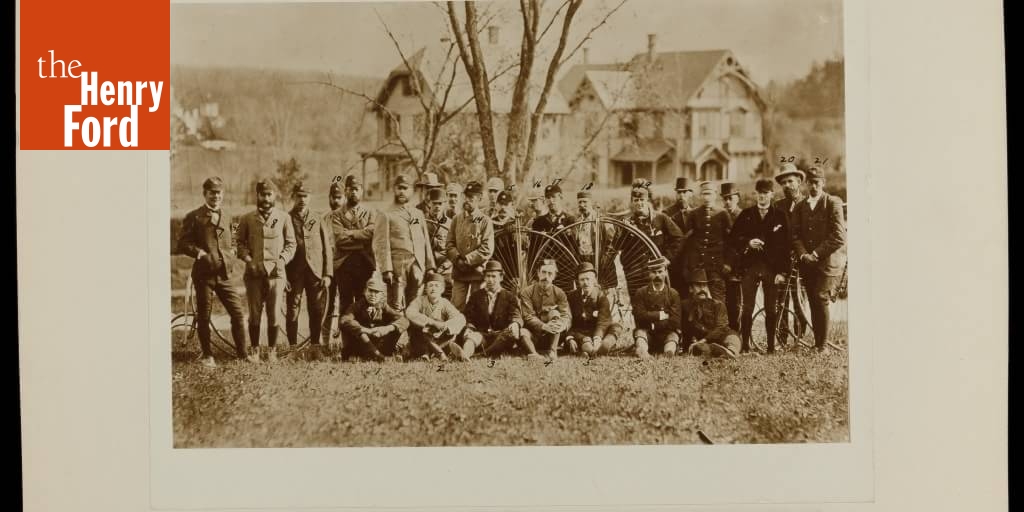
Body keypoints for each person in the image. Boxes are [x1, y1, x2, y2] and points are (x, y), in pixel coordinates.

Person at [175, 177, 248, 367]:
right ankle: (208, 356)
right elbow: (183, 243)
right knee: (204, 316)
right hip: (203, 276)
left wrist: (231, 254)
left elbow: (232, 239)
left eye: (219, 193)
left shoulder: (228, 215)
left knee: (238, 312)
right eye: (212, 192)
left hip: (224, 274)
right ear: (205, 194)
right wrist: (199, 253)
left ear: (223, 194)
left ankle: (243, 354)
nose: (216, 196)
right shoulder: (194, 216)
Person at [236, 179, 297, 363]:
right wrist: (248, 259)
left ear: (275, 196)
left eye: (269, 194)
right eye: (263, 195)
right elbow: (238, 243)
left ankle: (271, 351)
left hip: (276, 275)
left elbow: (291, 244)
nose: (266, 198)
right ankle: (254, 350)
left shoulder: (284, 217)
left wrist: (282, 260)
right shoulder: (246, 218)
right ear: (257, 196)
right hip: (254, 274)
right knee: (254, 314)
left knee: (274, 314)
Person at [729, 178, 790, 353]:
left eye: (765, 193)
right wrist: (748, 243)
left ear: (772, 194)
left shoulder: (780, 216)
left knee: (771, 308)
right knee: (747, 308)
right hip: (750, 267)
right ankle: (746, 347)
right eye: (759, 193)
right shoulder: (746, 214)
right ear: (756, 194)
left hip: (772, 269)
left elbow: (786, 246)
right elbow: (733, 239)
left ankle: (771, 347)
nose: (762, 197)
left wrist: (782, 272)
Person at [790, 166, 847, 352]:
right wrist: (803, 254)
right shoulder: (800, 206)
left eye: (817, 182)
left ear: (823, 183)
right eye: (810, 183)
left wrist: (816, 254)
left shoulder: (832, 203)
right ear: (805, 184)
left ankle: (822, 347)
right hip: (807, 263)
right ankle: (817, 344)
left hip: (827, 263)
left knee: (820, 297)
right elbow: (795, 235)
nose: (813, 186)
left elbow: (839, 237)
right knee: (813, 301)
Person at [324, 175, 376, 344]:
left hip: (365, 263)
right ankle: (347, 345)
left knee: (364, 302)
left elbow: (372, 233)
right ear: (345, 191)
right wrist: (361, 239)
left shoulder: (370, 212)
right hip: (344, 264)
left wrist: (351, 234)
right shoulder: (336, 214)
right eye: (350, 189)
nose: (353, 192)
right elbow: (340, 239)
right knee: (345, 303)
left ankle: (364, 343)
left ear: (361, 191)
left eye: (356, 189)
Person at [284, 182, 333, 358]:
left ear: (310, 197)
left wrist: (327, 273)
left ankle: (315, 346)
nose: (302, 200)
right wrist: (283, 275)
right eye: (299, 196)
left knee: (316, 309)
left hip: (315, 272)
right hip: (294, 273)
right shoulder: (286, 218)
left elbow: (327, 247)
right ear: (293, 197)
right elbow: (281, 248)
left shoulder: (317, 218)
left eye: (305, 196)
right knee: (293, 309)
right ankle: (293, 350)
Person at [373, 173, 435, 311]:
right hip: (397, 268)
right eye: (399, 188)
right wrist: (386, 269)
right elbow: (380, 244)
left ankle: (414, 333)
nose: (401, 191)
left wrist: (430, 266)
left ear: (412, 191)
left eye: (405, 188)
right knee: (396, 306)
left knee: (415, 306)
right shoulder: (385, 214)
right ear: (394, 189)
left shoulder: (417, 214)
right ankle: (395, 333)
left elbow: (425, 241)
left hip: (417, 266)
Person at [460, 261, 542, 360]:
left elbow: (516, 315)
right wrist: (469, 328)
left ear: (501, 278)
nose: (490, 280)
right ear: (484, 277)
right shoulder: (476, 296)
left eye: (494, 276)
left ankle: (481, 355)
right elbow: (469, 316)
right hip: (483, 335)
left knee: (509, 333)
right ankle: (465, 355)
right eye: (488, 276)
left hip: (502, 336)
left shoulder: (509, 297)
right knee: (472, 338)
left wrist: (515, 324)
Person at [445, 180, 495, 309]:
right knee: (456, 306)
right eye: (465, 197)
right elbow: (449, 244)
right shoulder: (457, 219)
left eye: (471, 197)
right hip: (459, 272)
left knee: (477, 307)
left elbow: (487, 248)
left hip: (477, 273)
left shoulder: (485, 221)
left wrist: (467, 260)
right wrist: (457, 259)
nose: (467, 200)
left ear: (479, 199)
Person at [338, 271, 408, 362]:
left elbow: (404, 321)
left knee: (397, 325)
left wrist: (387, 329)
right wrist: (365, 330)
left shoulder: (384, 306)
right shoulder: (357, 306)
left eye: (376, 292)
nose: (373, 295)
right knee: (350, 326)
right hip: (360, 346)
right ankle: (377, 356)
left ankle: (381, 355)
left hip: (380, 346)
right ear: (364, 291)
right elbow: (344, 320)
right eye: (370, 291)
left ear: (381, 295)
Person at [774, 162, 809, 337]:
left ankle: (799, 337)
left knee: (799, 299)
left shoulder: (808, 203)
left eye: (790, 181)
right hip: (782, 260)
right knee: (781, 299)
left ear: (799, 182)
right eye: (783, 183)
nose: (787, 185)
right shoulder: (778, 207)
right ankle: (782, 337)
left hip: (803, 260)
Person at [681, 181, 732, 303]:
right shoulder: (693, 214)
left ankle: (720, 323)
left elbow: (730, 241)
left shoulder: (722, 213)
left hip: (717, 265)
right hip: (698, 264)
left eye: (709, 194)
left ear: (715, 195)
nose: (706, 197)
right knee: (698, 301)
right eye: (703, 194)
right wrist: (689, 265)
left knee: (718, 301)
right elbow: (687, 241)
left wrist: (728, 263)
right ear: (700, 196)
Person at [565, 262, 629, 358]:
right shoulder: (571, 296)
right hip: (580, 332)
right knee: (580, 339)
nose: (585, 282)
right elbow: (567, 319)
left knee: (616, 327)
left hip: (599, 331)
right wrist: (569, 338)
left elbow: (603, 320)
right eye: (582, 279)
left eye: (588, 279)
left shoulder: (601, 296)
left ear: (594, 280)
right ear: (578, 281)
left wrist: (597, 339)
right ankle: (591, 350)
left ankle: (604, 345)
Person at [626, 181, 684, 281]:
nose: (639, 203)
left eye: (642, 200)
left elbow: (679, 238)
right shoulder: (629, 222)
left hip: (658, 270)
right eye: (636, 200)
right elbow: (621, 247)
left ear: (647, 200)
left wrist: (667, 258)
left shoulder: (661, 218)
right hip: (637, 273)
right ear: (632, 202)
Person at [404, 272, 467, 361]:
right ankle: (439, 353)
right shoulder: (420, 300)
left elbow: (460, 318)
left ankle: (428, 353)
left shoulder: (445, 303)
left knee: (451, 334)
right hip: (422, 335)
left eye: (437, 286)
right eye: (430, 286)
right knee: (418, 334)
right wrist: (432, 323)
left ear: (442, 290)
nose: (433, 289)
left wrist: (445, 326)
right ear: (426, 289)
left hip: (438, 337)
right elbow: (410, 312)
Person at [518, 259, 571, 360]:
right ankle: (534, 354)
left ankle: (552, 351)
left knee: (555, 313)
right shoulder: (527, 292)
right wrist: (543, 326)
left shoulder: (560, 293)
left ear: (554, 276)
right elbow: (528, 316)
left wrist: (562, 325)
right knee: (522, 332)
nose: (546, 277)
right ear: (538, 273)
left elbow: (566, 315)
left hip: (552, 336)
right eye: (543, 272)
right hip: (533, 335)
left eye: (550, 273)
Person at [630, 257, 681, 358]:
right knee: (640, 334)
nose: (657, 275)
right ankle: (643, 352)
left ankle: (668, 353)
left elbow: (675, 321)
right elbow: (639, 316)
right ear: (649, 274)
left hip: (666, 334)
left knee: (673, 336)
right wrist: (661, 315)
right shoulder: (641, 292)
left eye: (660, 271)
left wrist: (651, 322)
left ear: (666, 272)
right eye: (654, 272)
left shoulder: (673, 294)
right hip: (647, 334)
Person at [682, 270, 741, 358]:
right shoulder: (685, 306)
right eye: (698, 285)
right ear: (691, 288)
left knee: (733, 338)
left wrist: (703, 340)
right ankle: (718, 352)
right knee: (699, 348)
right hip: (702, 341)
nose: (702, 289)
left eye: (704, 285)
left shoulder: (718, 305)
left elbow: (721, 328)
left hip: (722, 336)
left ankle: (730, 352)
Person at [666, 177, 694, 302]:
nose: (681, 195)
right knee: (673, 299)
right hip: (673, 265)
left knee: (689, 301)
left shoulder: (696, 214)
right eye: (679, 192)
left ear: (690, 193)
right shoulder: (666, 214)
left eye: (685, 192)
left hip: (690, 265)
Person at [720, 181, 743, 331]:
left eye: (731, 198)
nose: (728, 202)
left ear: (737, 198)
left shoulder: (743, 217)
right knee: (724, 302)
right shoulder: (720, 216)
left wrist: (730, 263)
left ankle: (737, 334)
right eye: (725, 199)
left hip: (737, 267)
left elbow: (741, 245)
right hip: (722, 267)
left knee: (736, 303)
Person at [573, 188, 616, 264]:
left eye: (585, 202)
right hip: (583, 261)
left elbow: (612, 243)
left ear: (591, 202)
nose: (582, 205)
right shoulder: (577, 222)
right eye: (580, 202)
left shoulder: (602, 220)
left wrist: (605, 260)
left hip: (600, 262)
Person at [424, 187, 453, 299]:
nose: (437, 206)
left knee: (449, 289)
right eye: (434, 203)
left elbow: (455, 248)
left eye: (440, 203)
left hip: (445, 268)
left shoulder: (451, 224)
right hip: (427, 268)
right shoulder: (422, 222)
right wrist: (428, 268)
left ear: (445, 204)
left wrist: (445, 265)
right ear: (429, 203)